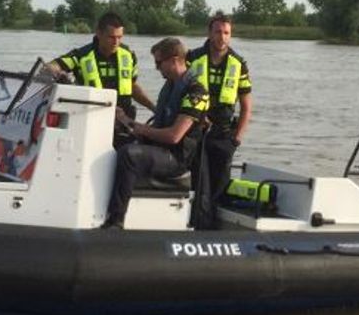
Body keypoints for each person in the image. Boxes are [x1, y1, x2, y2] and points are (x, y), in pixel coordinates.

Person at [102, 37, 209, 229]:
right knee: (117, 143)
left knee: (129, 155)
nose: (157, 68)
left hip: (176, 158)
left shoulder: (196, 92)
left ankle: (116, 221)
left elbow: (174, 136)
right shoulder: (169, 87)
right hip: (160, 150)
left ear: (175, 59)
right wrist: (127, 122)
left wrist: (141, 129)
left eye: (159, 63)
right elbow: (156, 129)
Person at [44, 12, 154, 145]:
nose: (116, 42)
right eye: (111, 37)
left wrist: (153, 108)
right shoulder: (81, 55)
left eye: (120, 37)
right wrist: (58, 73)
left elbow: (132, 86)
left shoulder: (129, 55)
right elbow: (50, 67)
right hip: (91, 119)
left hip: (124, 121)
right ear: (99, 33)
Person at [186, 12, 253, 204]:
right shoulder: (192, 58)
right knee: (196, 182)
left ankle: (213, 226)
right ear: (209, 33)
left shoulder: (238, 64)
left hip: (224, 135)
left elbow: (247, 106)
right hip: (196, 130)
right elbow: (180, 93)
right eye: (218, 32)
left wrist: (236, 139)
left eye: (226, 32)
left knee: (219, 186)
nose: (222, 37)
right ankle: (195, 223)